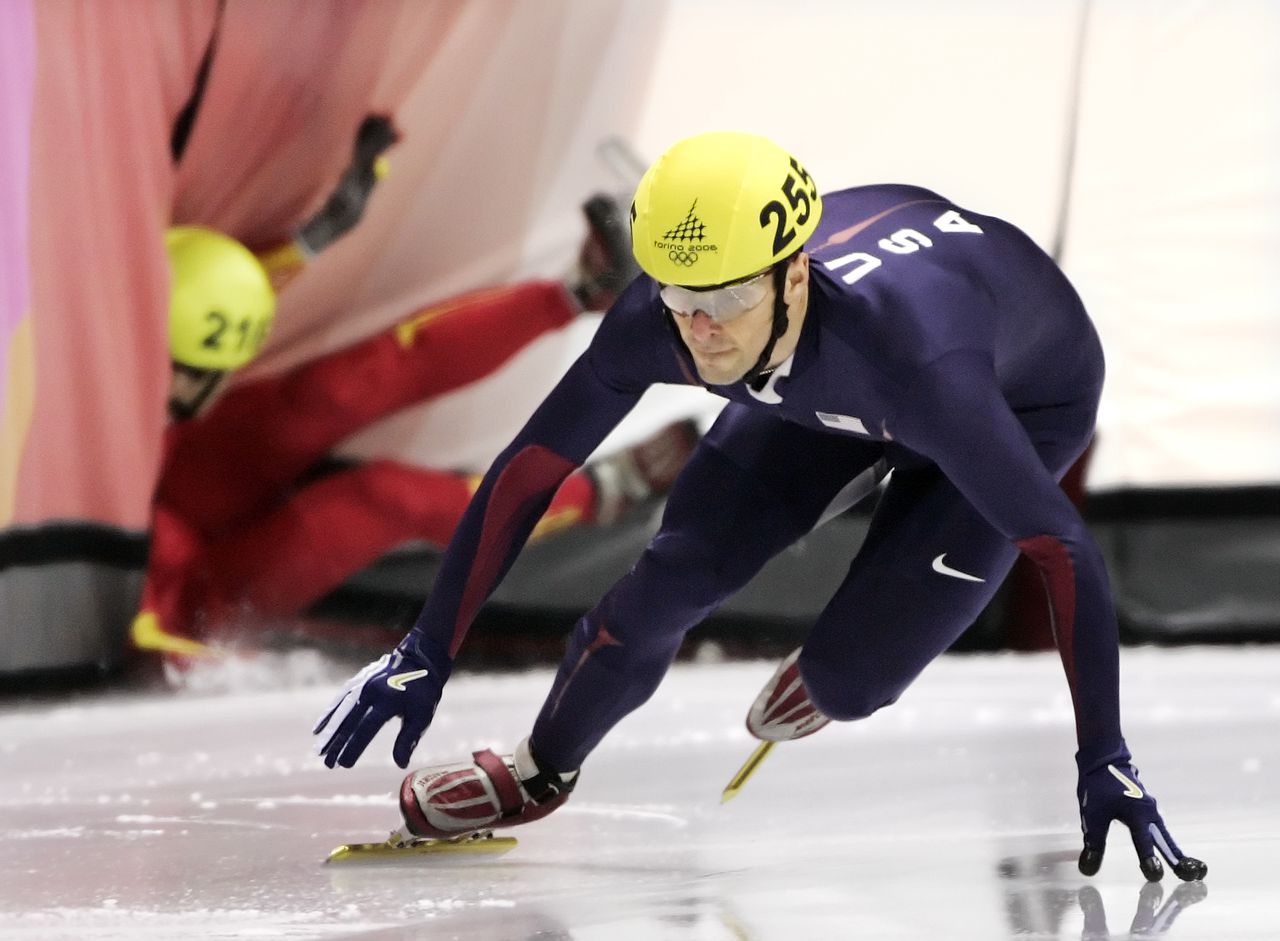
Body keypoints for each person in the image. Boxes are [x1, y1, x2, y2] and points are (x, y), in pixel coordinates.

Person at [314, 131, 1206, 883]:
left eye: (729, 299)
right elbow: (527, 471)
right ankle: (540, 769)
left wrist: (1105, 756)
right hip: (828, 375)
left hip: (1008, 401)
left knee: (856, 680)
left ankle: (837, 668)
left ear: (793, 274)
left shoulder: (916, 362)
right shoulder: (670, 315)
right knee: (667, 581)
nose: (702, 334)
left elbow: (1065, 548)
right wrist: (427, 644)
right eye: (681, 299)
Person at [133, 128, 696, 663]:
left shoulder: (120, 365)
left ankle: (580, 294)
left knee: (332, 395)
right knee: (384, 497)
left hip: (166, 485)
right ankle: (597, 493)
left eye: (192, 371)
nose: (184, 386)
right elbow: (145, 634)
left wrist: (300, 248)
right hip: (160, 584)